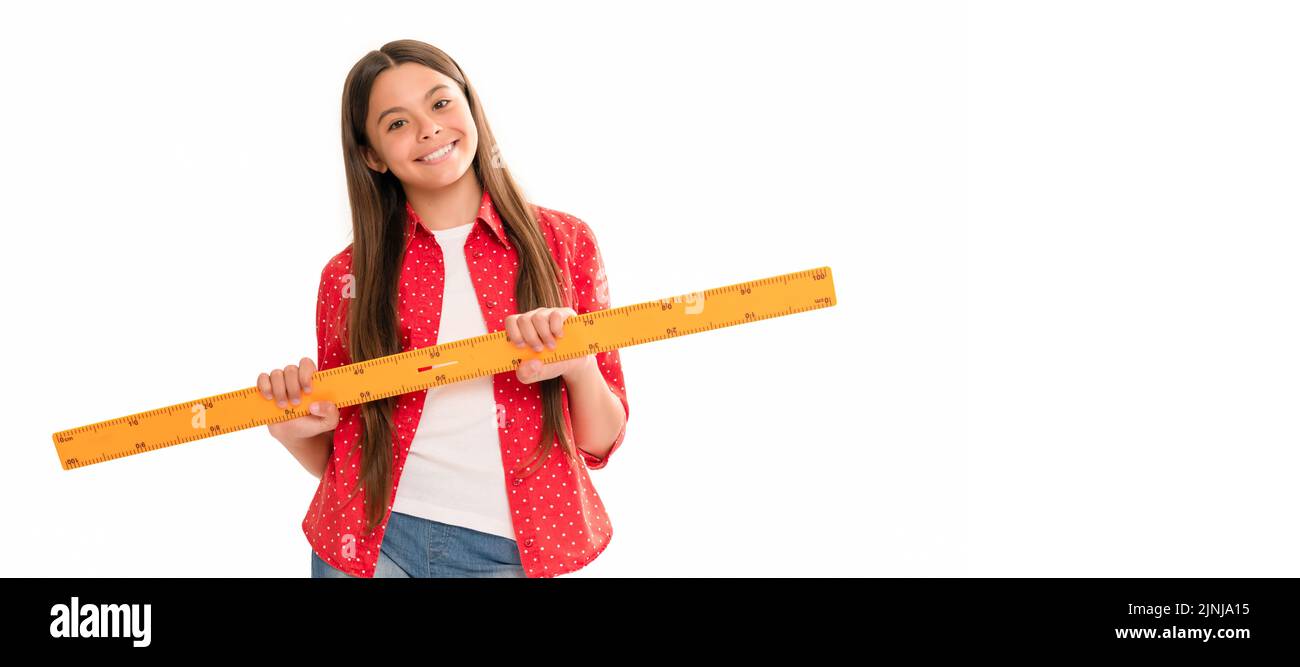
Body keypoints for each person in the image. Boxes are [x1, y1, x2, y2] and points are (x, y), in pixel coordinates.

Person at [256, 39, 629, 578]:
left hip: (513, 551)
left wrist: (577, 361)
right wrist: (295, 430)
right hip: (370, 543)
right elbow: (346, 458)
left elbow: (601, 440)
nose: (428, 129)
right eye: (396, 123)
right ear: (372, 156)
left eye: (439, 103)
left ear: (470, 106)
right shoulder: (348, 276)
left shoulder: (564, 243)